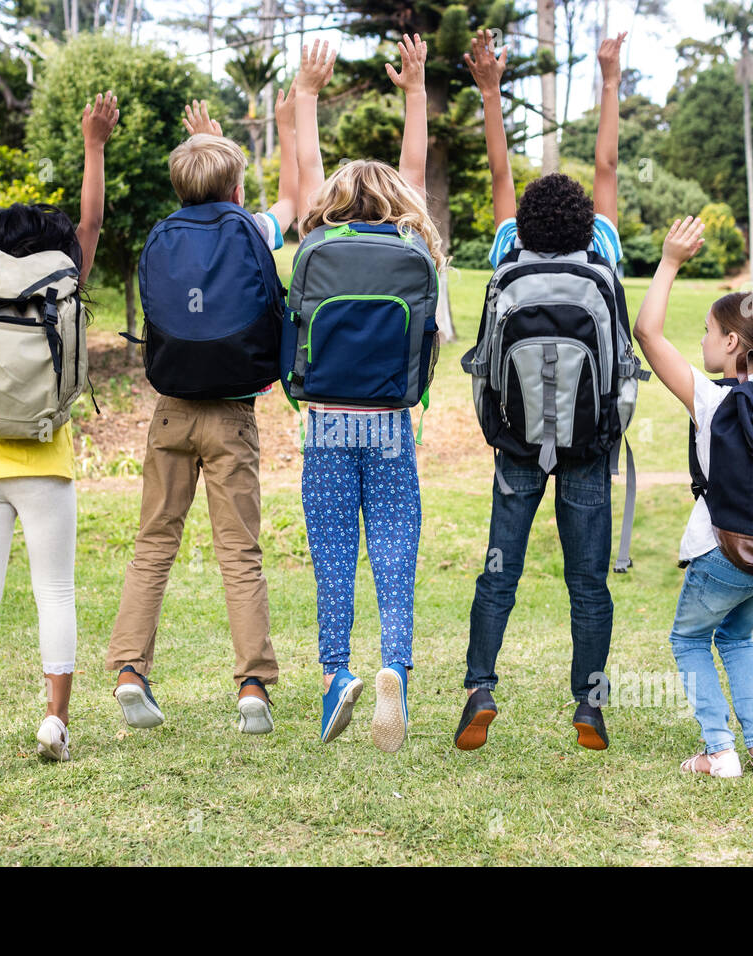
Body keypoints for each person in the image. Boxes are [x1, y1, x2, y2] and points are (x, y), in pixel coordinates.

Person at [103, 86, 298, 736]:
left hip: (171, 409)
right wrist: (290, 118)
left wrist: (207, 147)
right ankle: (252, 685)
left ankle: (130, 669)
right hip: (231, 416)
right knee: (238, 552)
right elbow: (292, 207)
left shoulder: (167, 233)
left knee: (153, 543)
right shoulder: (253, 227)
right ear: (237, 188)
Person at [455, 29, 627, 752]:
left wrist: (491, 92)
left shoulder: (506, 253)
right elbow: (608, 163)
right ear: (587, 222)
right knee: (587, 582)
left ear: (523, 223)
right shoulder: (603, 253)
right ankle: (588, 707)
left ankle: (480, 688)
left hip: (517, 439)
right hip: (588, 445)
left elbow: (500, 174)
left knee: (501, 571)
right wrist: (609, 78)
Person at [0, 82, 118, 771]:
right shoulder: (64, 276)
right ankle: (55, 721)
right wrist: (92, 146)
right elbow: (92, 223)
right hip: (47, 460)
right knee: (56, 593)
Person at [295, 37, 447, 752]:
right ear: (399, 202)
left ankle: (335, 674)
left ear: (335, 202)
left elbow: (305, 175)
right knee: (394, 553)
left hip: (325, 424)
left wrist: (306, 98)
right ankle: (395, 670)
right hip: (390, 424)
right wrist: (415, 92)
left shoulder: (315, 249)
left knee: (333, 556)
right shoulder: (415, 255)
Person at [632, 215, 753, 777]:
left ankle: (720, 751)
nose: (703, 341)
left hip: (725, 549)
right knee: (736, 637)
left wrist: (669, 262)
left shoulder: (712, 400)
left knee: (688, 640)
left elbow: (647, 334)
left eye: (709, 333)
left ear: (732, 342)